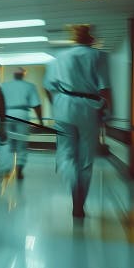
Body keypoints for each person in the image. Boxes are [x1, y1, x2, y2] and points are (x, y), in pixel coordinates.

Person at [43, 25, 111, 219]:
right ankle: (80, 203)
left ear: (73, 38)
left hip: (63, 106)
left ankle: (73, 186)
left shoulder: (59, 57)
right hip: (90, 106)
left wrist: (56, 105)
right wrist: (106, 113)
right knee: (86, 158)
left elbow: (48, 87)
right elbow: (105, 88)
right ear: (91, 37)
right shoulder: (98, 56)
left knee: (66, 154)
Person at [0, 67, 43, 180]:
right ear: (23, 75)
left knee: (6, 143)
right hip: (22, 114)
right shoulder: (30, 86)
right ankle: (19, 170)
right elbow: (36, 104)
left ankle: (5, 168)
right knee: (21, 144)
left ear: (14, 75)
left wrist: (0, 118)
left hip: (7, 113)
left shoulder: (4, 86)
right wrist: (40, 121)